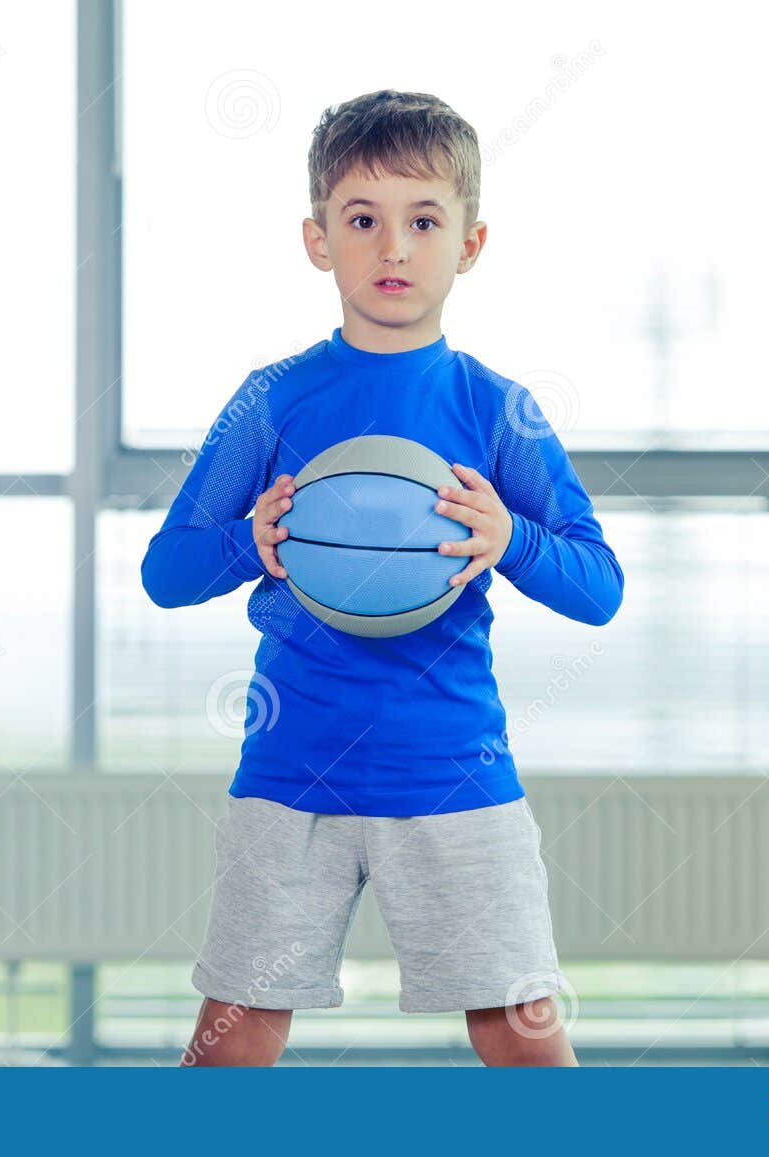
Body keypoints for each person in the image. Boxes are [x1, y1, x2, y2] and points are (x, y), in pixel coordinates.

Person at [140, 89, 624, 1066]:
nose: (393, 247)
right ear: (318, 240)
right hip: (291, 771)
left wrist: (511, 539)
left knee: (519, 1030)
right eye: (362, 220)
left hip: (452, 768)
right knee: (235, 1032)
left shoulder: (497, 408)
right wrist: (248, 541)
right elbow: (166, 570)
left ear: (470, 243)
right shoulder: (271, 398)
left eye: (424, 221)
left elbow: (599, 586)